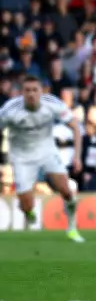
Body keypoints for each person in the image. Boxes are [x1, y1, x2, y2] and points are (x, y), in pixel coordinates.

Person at [0, 75, 84, 242]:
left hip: (47, 152)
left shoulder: (52, 104)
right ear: (21, 93)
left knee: (67, 190)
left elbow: (76, 127)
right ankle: (28, 211)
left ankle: (72, 228)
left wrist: (77, 157)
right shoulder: (9, 110)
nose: (31, 94)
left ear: (42, 91)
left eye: (35, 90)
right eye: (27, 90)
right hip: (21, 157)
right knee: (27, 205)